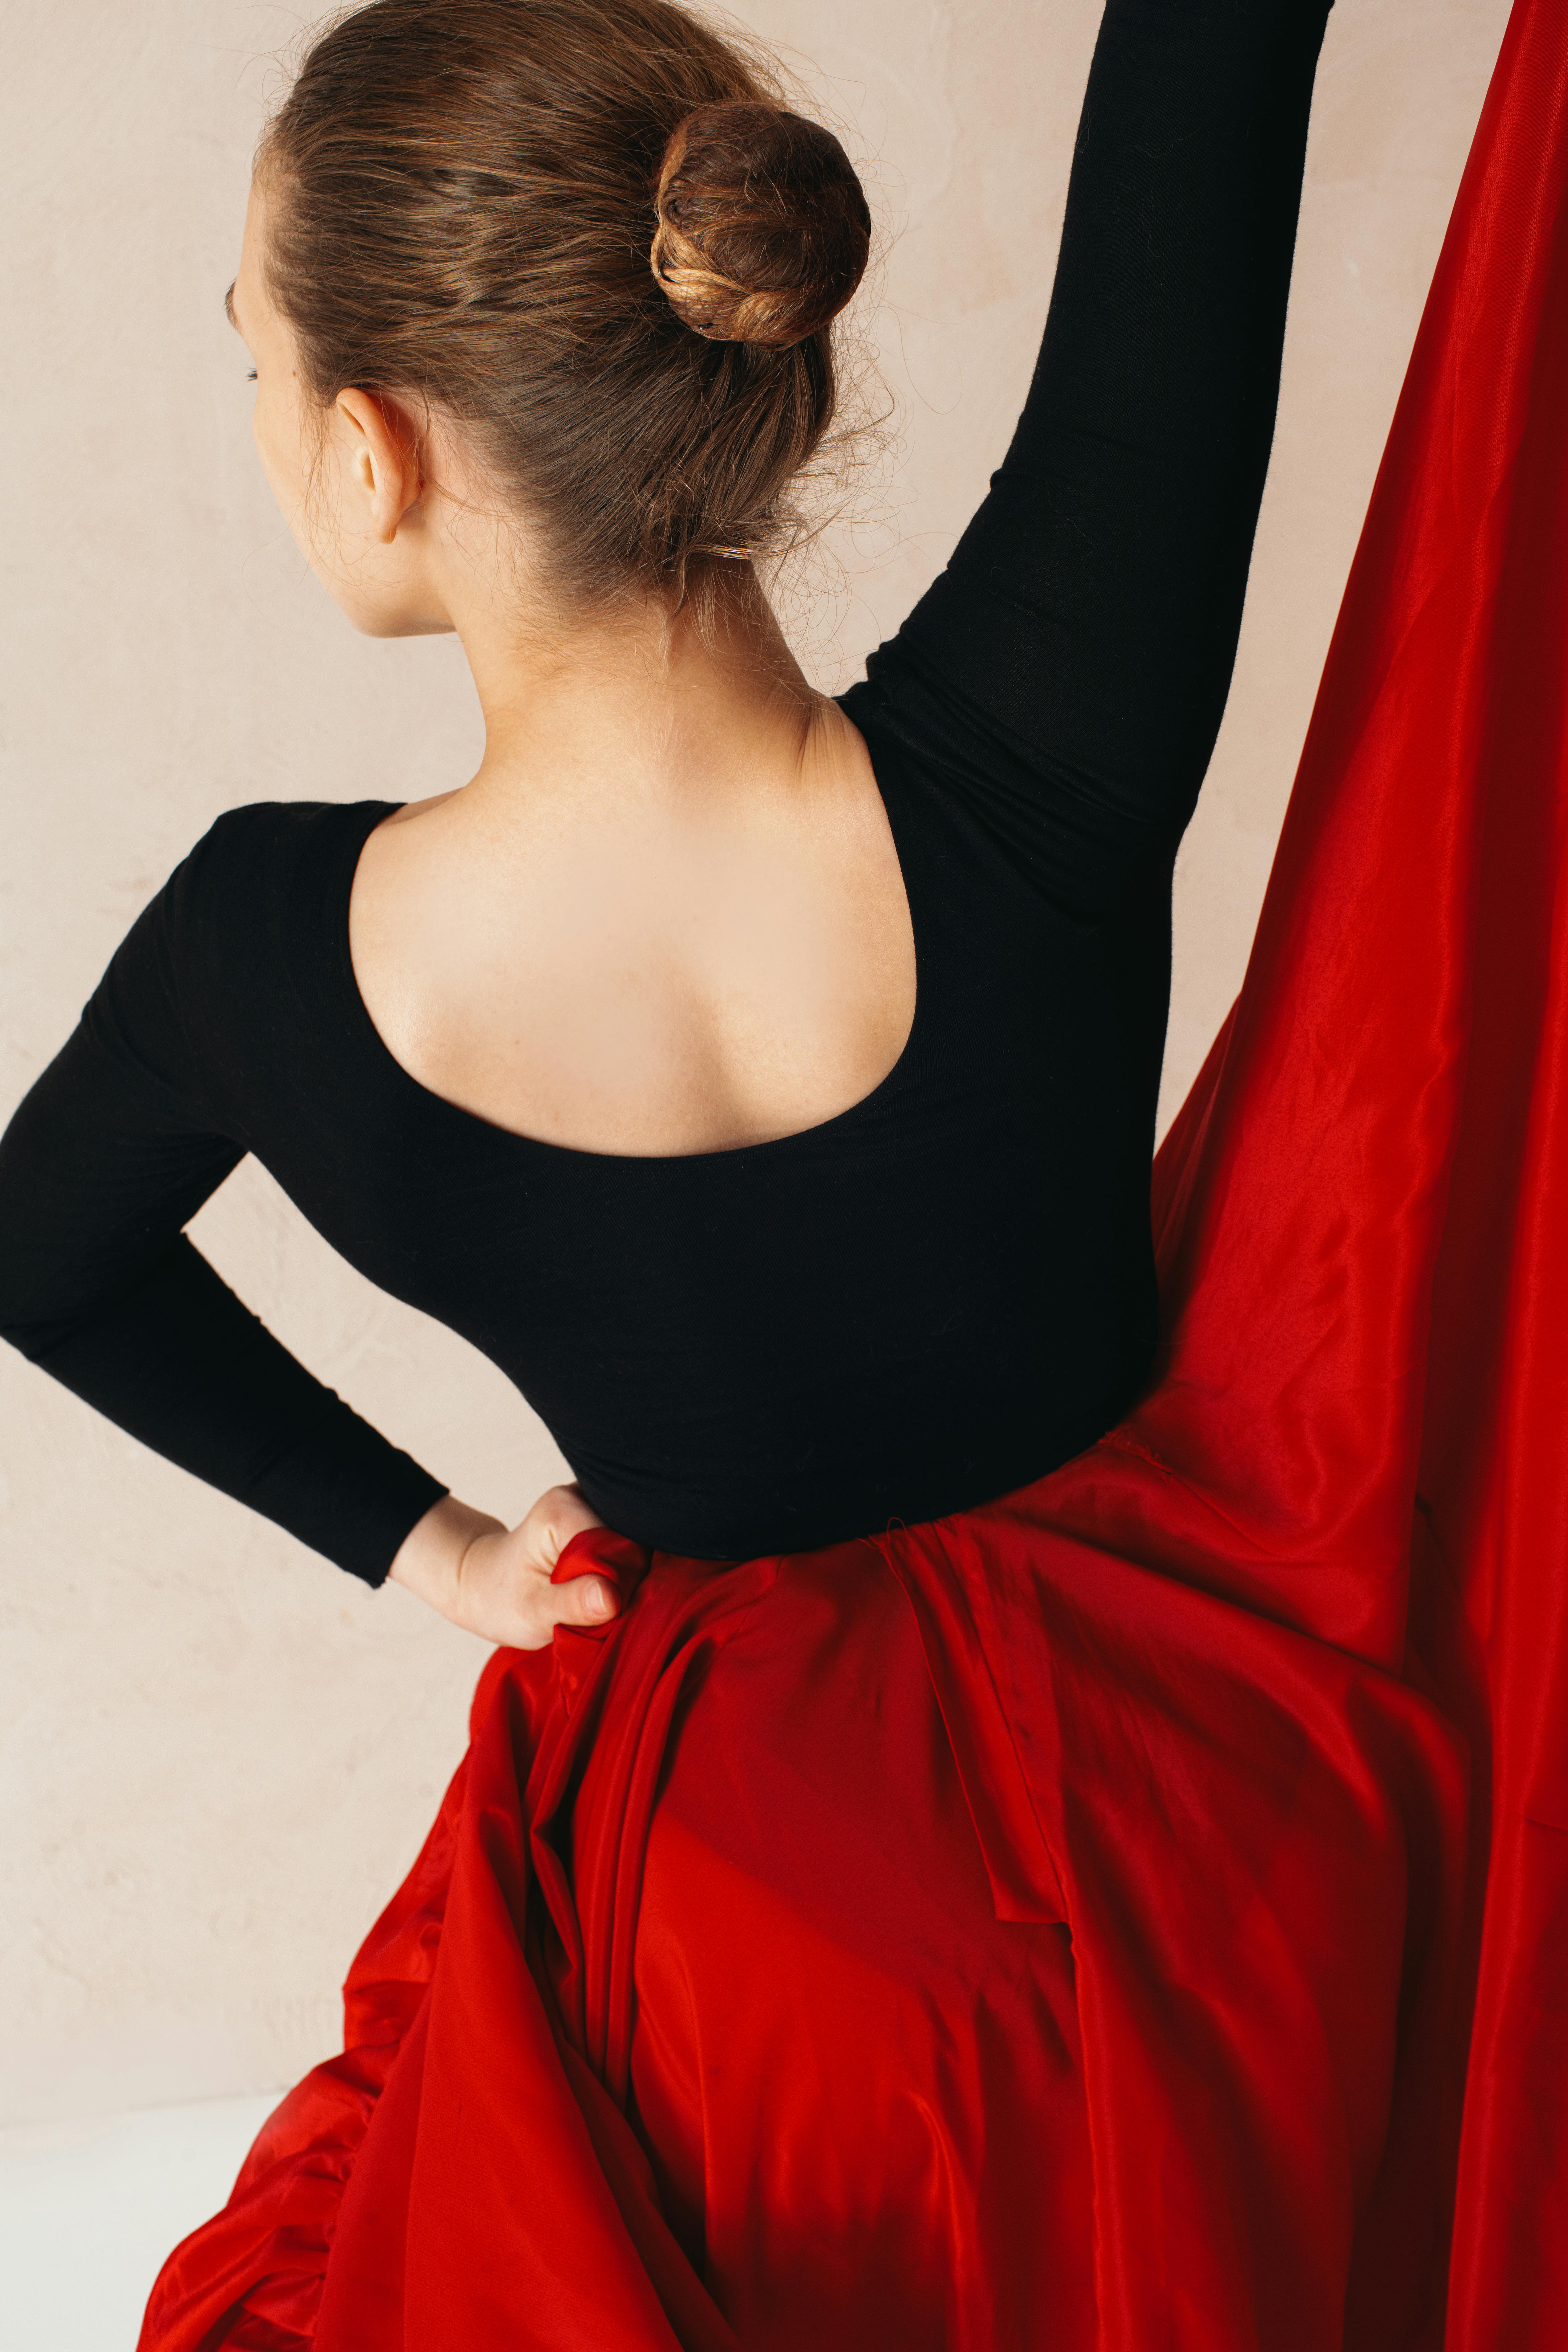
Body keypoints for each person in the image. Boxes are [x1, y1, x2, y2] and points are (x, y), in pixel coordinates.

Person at [13, 0, 1536, 2342]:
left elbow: (44, 1260)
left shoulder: (264, 953)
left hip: (748, 1919)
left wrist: (423, 1542)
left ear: (368, 452)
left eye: (253, 362)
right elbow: (1210, 63)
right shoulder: (1044, 734)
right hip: (1210, 1802)